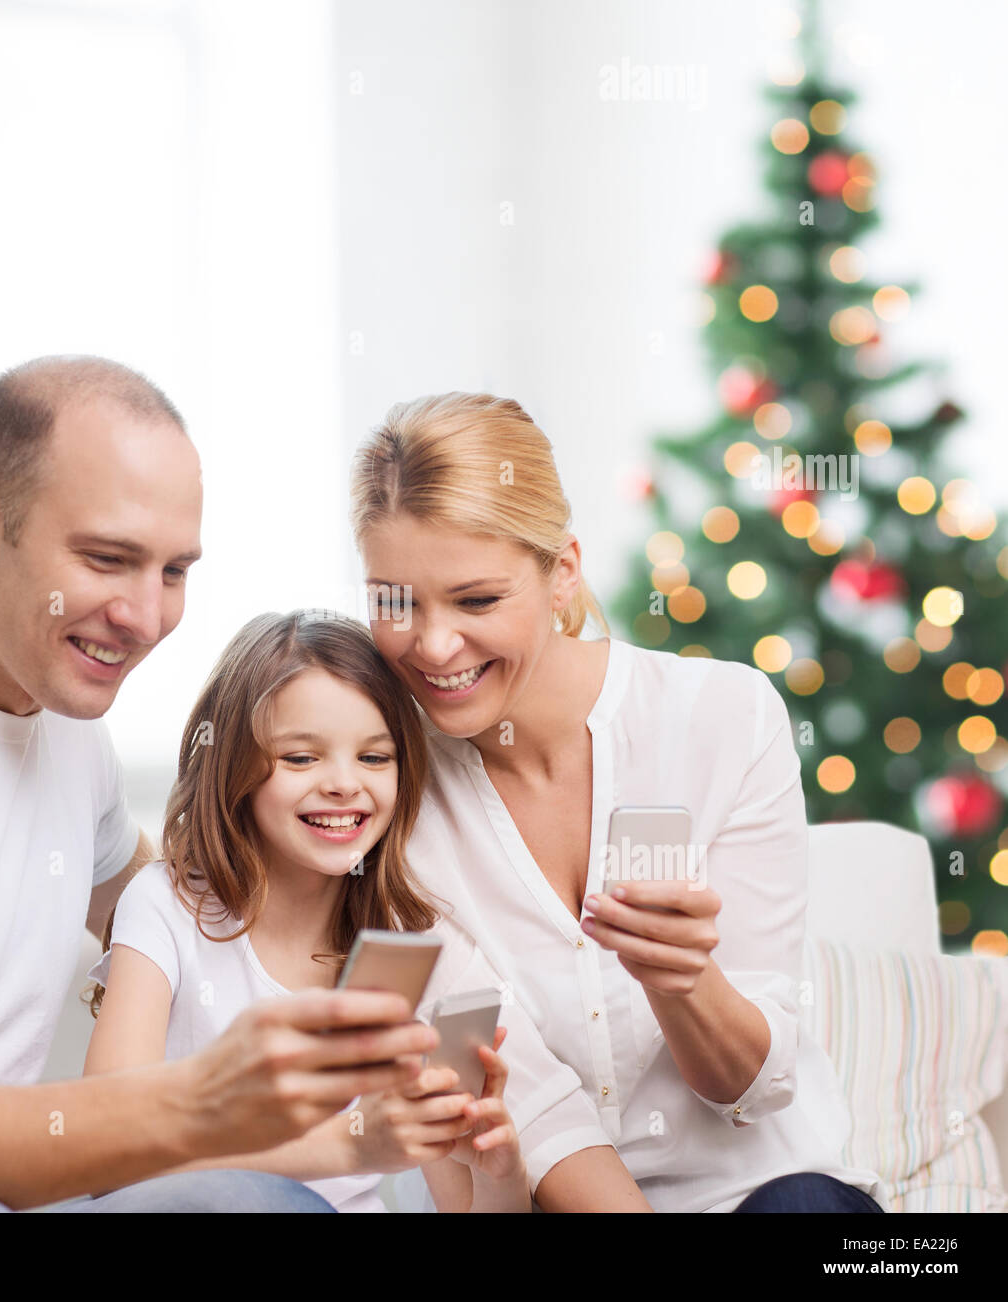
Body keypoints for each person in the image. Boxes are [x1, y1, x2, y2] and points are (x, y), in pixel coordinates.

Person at [0, 356, 439, 1214]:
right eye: (106, 558)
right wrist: (198, 1104)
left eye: (173, 572)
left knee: (256, 1201)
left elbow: (181, 900)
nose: (145, 616)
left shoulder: (67, 733)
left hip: (5, 1207)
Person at [347, 391, 889, 1214]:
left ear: (562, 572)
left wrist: (681, 984)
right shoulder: (387, 792)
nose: (433, 646)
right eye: (396, 602)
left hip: (762, 1193)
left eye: (477, 600)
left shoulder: (725, 718)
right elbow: (525, 1104)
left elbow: (754, 1089)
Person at [83, 609, 653, 1212]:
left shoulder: (412, 947)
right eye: (301, 758)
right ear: (233, 767)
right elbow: (107, 1156)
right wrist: (343, 1146)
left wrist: (498, 1175)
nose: (343, 784)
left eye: (374, 759)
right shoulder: (168, 906)